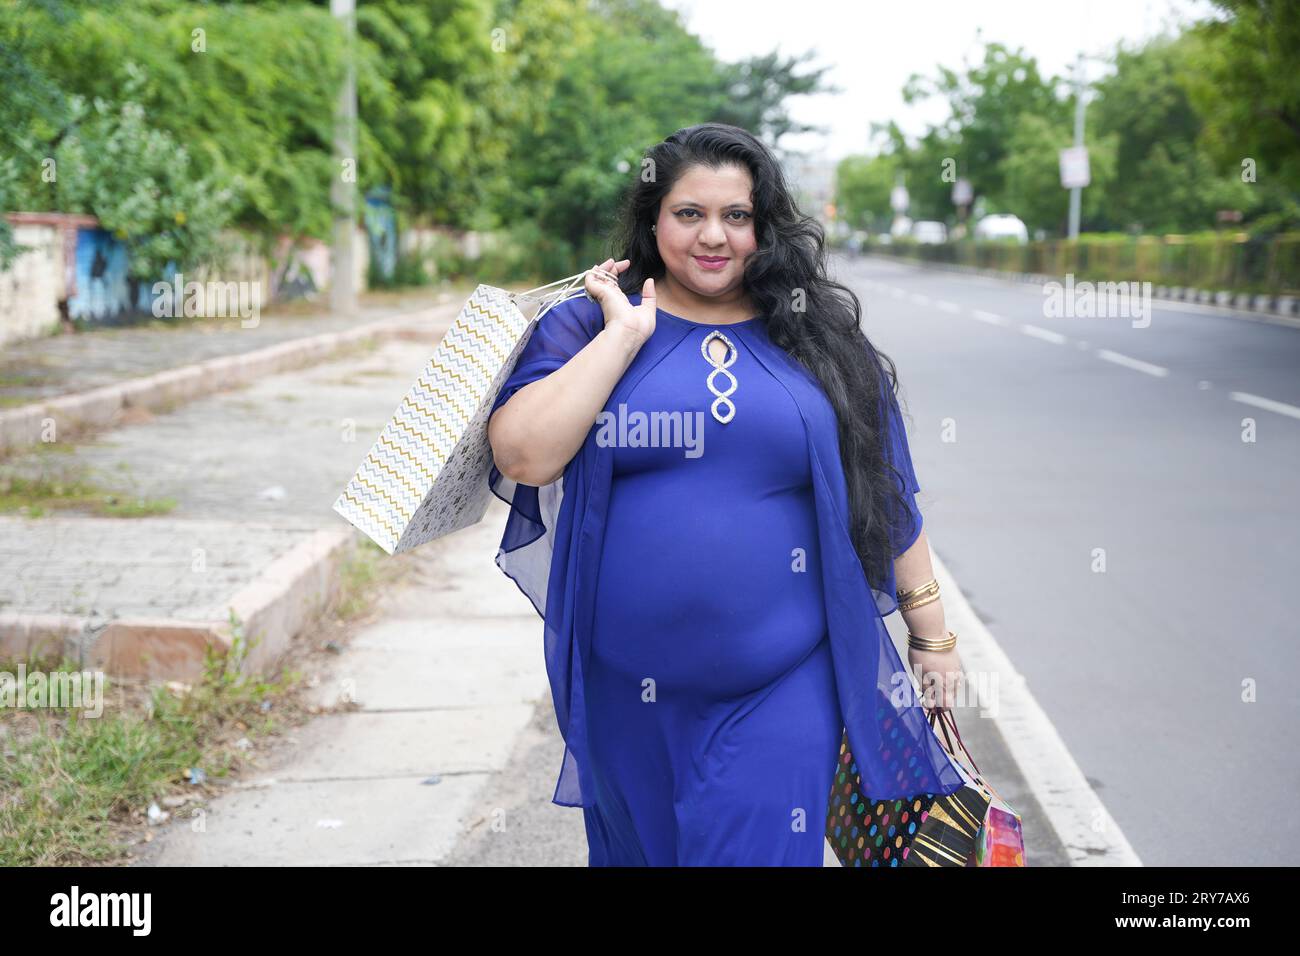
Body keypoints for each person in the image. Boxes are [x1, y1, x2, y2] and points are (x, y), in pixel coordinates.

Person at [486, 123, 966, 867]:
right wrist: (623, 338)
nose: (714, 236)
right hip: (627, 697)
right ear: (653, 220)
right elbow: (524, 455)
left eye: (736, 216)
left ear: (762, 226)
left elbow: (887, 490)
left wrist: (933, 639)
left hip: (779, 686)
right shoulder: (586, 325)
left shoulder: (816, 336)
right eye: (689, 214)